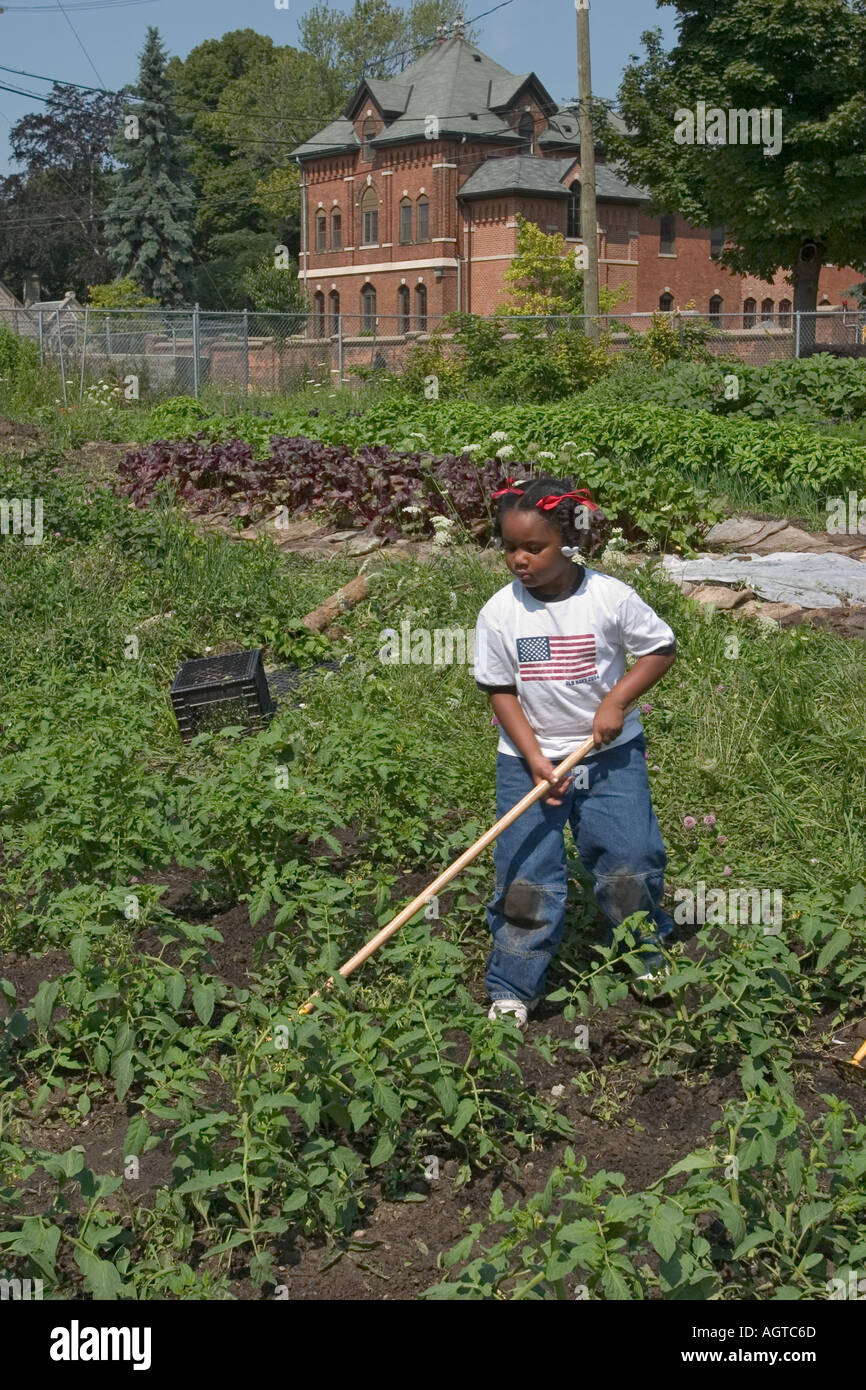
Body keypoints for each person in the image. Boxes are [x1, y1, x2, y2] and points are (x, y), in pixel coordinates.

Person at [473, 474, 677, 1028]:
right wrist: (534, 755)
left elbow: (659, 649)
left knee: (629, 858)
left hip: (609, 759)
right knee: (526, 875)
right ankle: (514, 983)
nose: (519, 559)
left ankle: (642, 953)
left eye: (533, 547)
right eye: (509, 546)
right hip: (528, 764)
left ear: (567, 541)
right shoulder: (500, 613)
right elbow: (499, 690)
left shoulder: (609, 598)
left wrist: (616, 700)